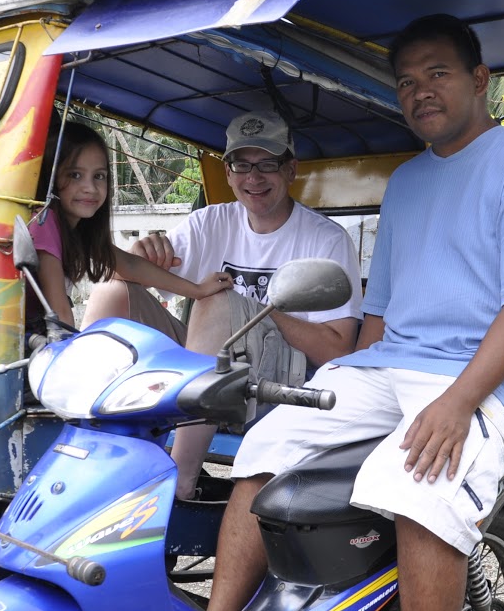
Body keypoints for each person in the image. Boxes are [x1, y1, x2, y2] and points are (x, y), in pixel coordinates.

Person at [206, 15, 504, 611]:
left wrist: (458, 402)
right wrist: (347, 382)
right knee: (268, 441)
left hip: (485, 379)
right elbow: (378, 315)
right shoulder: (407, 182)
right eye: (407, 81)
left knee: (418, 476)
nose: (420, 92)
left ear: (480, 80)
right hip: (392, 366)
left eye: (437, 74)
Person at [84, 111, 363, 499]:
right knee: (111, 291)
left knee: (216, 302)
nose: (254, 177)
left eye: (267, 164)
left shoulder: (325, 238)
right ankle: (94, 450)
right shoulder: (209, 223)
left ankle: (180, 483)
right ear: (228, 172)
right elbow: (122, 271)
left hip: (281, 380)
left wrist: (249, 309)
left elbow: (338, 349)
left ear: (290, 169)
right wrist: (142, 254)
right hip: (210, 367)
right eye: (242, 165)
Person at [27, 120, 232, 337]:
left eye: (99, 176)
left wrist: (198, 290)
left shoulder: (79, 230)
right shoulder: (44, 221)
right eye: (75, 175)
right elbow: (60, 315)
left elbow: (130, 265)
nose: (90, 188)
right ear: (51, 177)